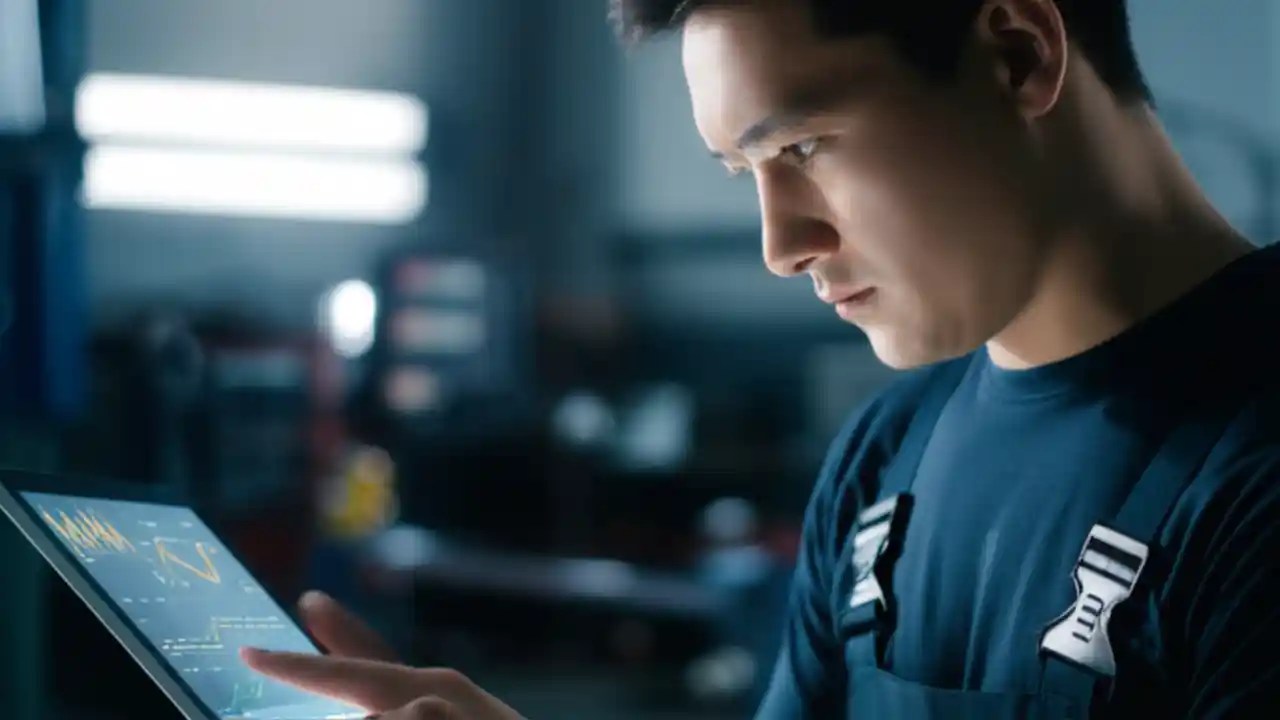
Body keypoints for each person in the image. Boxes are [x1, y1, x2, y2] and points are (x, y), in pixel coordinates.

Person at [242, 0, 1280, 717]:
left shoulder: (1251, 473)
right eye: (741, 168)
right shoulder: (884, 463)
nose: (779, 246)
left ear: (1018, 53)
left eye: (801, 148)